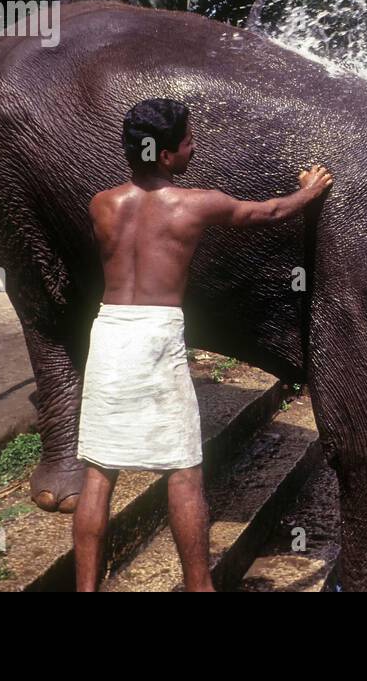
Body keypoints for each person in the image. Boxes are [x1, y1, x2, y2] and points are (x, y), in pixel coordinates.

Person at [73, 97, 333, 591]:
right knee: (183, 472)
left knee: (98, 471)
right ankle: (199, 588)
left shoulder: (101, 204)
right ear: (168, 156)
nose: (194, 146)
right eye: (188, 140)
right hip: (156, 332)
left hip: (109, 331)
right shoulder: (196, 204)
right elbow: (269, 212)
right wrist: (309, 192)